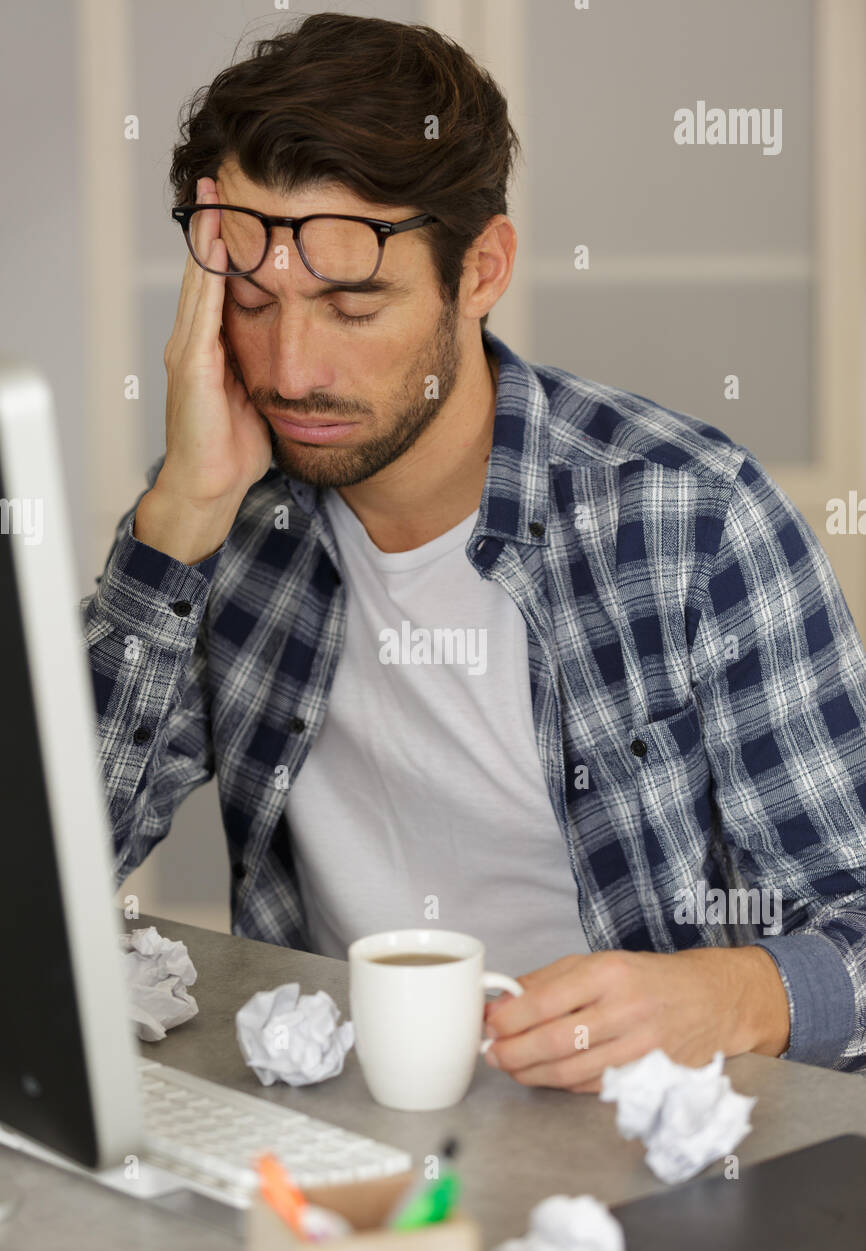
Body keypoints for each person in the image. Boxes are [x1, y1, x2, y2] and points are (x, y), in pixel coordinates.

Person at [82, 13, 866, 1089]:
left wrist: (735, 994)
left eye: (353, 305)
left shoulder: (689, 521)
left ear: (481, 267)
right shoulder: (231, 519)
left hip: (656, 1156)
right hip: (345, 1132)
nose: (290, 366)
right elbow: (43, 875)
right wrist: (178, 513)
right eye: (251, 305)